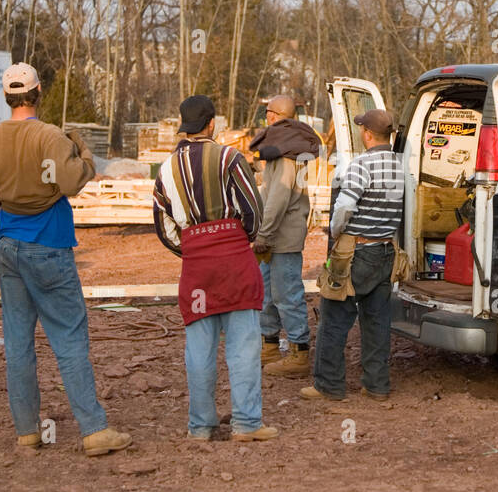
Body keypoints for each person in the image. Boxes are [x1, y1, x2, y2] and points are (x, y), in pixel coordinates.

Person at [0, 63, 132, 457]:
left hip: (9, 245)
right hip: (49, 246)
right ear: (38, 93)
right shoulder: (51, 136)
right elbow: (72, 183)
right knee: (69, 339)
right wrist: (84, 155)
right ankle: (93, 431)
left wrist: (11, 195)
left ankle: (27, 431)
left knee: (18, 342)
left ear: (7, 97)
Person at [153, 94, 278, 442]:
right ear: (212, 124)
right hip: (235, 262)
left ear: (183, 125)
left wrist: (193, 247)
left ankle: (201, 426)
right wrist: (238, 239)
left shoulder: (165, 170)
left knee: (199, 348)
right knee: (243, 346)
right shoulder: (229, 158)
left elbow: (164, 227)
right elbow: (252, 211)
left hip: (196, 268)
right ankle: (247, 424)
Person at [302, 108, 403, 402]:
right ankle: (377, 385)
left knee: (334, 319)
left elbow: (345, 207)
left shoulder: (362, 164)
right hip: (386, 251)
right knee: (376, 322)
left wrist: (335, 230)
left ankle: (329, 386)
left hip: (356, 252)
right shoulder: (399, 166)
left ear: (368, 134)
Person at [248, 94, 321, 378]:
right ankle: (268, 346)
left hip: (282, 235)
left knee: (287, 294)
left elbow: (279, 196)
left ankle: (298, 353)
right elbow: (269, 190)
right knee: (267, 292)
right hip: (272, 234)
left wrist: (263, 234)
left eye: (267, 113)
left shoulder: (287, 151)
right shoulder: (284, 146)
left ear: (274, 115)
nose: (265, 118)